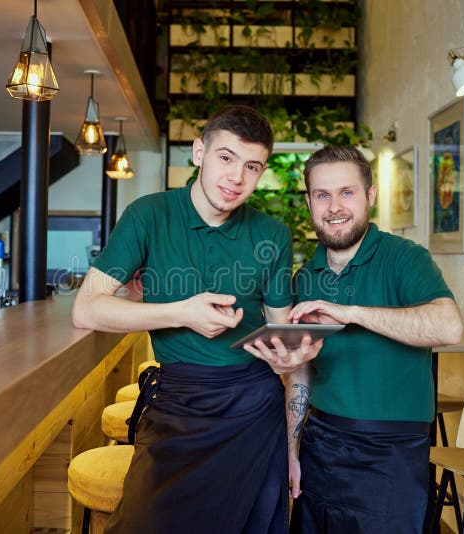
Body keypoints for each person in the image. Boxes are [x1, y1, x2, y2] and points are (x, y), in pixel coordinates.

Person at [72, 105, 322, 533]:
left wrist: (292, 447)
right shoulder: (149, 215)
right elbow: (86, 307)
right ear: (199, 152)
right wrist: (181, 314)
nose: (236, 178)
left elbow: (286, 343)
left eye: (251, 166)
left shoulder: (272, 234)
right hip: (176, 404)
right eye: (226, 158)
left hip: (254, 407)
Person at [281, 145, 463, 533]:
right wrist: (292, 450)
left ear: (370, 196)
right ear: (309, 201)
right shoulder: (305, 278)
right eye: (322, 195)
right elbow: (300, 375)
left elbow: (448, 327)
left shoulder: (404, 258)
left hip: (391, 453)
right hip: (320, 446)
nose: (334, 207)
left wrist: (351, 314)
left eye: (346, 192)